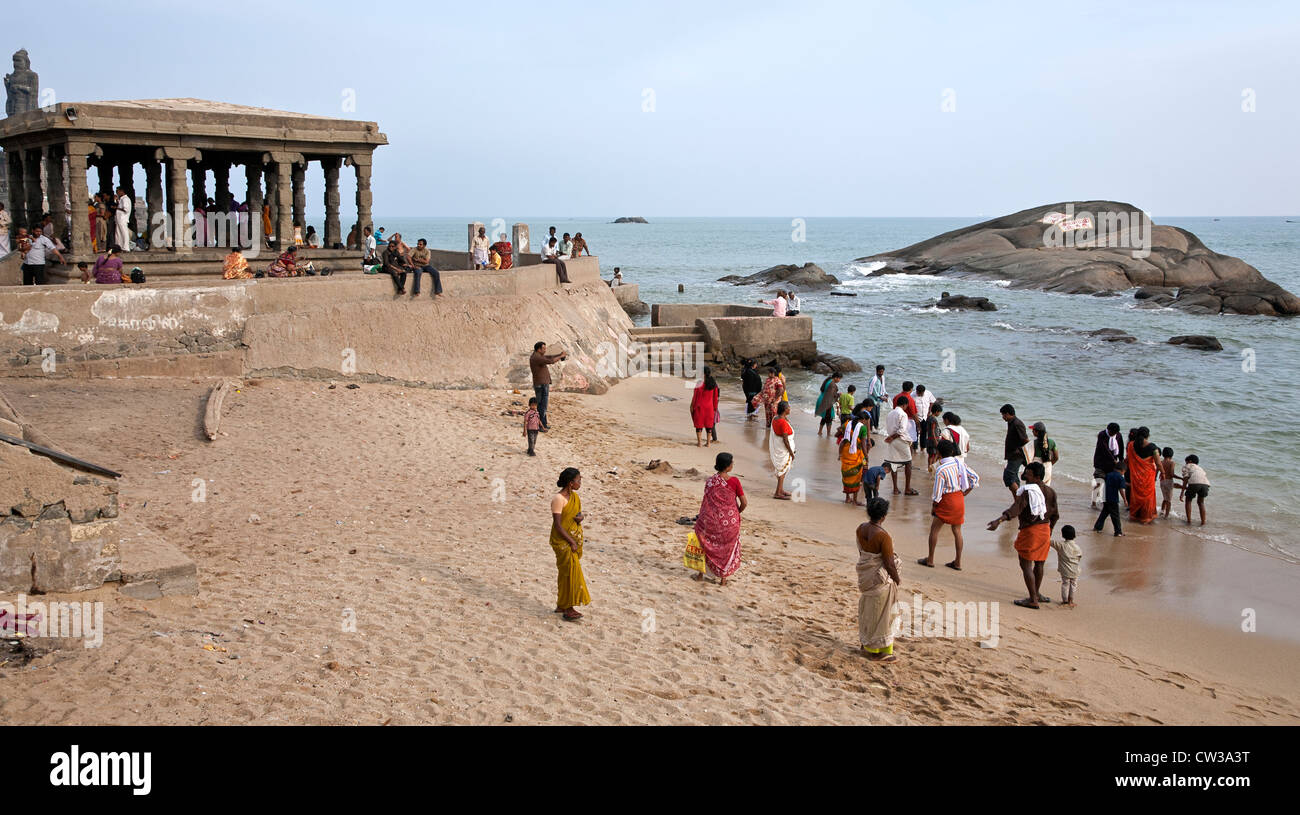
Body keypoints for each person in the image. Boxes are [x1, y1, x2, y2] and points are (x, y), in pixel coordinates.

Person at [988, 461, 1059, 609]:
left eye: (1028, 472)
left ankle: (1033, 599)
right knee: (1040, 563)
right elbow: (1055, 515)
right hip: (1045, 530)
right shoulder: (1051, 492)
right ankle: (1037, 594)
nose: (1025, 473)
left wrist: (998, 520)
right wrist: (1049, 529)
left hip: (1031, 531)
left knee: (1025, 563)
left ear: (1036, 476)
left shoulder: (1027, 492)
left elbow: (1015, 509)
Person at [918, 440, 979, 570]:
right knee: (957, 531)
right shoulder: (960, 464)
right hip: (958, 498)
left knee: (935, 529)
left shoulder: (941, 469)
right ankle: (957, 562)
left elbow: (937, 492)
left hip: (946, 500)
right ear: (952, 451)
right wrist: (965, 492)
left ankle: (930, 559)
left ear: (938, 453)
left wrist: (934, 506)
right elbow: (975, 478)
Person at [856, 497, 902, 663]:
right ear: (884, 516)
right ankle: (878, 652)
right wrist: (897, 579)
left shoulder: (861, 529)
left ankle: (867, 645)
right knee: (883, 616)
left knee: (869, 612)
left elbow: (864, 554)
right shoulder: (883, 536)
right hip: (879, 580)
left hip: (866, 577)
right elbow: (889, 563)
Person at [693, 452, 747, 585]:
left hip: (710, 520)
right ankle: (723, 580)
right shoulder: (734, 481)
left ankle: (700, 574)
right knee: (727, 549)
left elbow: (706, 502)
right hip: (729, 523)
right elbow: (744, 503)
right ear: (728, 466)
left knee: (705, 544)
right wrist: (735, 513)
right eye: (732, 463)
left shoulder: (710, 481)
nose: (733, 465)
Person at [549, 468, 590, 622]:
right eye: (578, 480)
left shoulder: (574, 497)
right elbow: (558, 526)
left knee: (565, 573)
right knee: (570, 574)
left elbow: (576, 515)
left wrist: (580, 518)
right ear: (570, 483)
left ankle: (561, 604)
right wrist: (571, 541)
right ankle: (568, 609)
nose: (580, 483)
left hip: (570, 540)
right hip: (562, 542)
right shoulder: (558, 499)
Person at [530, 341, 568, 431]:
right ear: (539, 349)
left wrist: (559, 355)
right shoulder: (536, 357)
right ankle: (541, 425)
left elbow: (549, 357)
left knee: (541, 406)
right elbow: (550, 361)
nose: (545, 350)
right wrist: (560, 356)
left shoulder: (537, 356)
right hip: (541, 384)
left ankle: (543, 424)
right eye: (543, 348)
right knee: (542, 406)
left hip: (541, 383)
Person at [883, 395, 916, 495]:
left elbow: (888, 427)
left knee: (893, 464)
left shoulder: (890, 413)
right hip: (899, 439)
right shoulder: (903, 414)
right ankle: (907, 488)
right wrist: (893, 437)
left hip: (892, 440)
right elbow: (902, 430)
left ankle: (896, 489)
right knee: (908, 463)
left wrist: (891, 437)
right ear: (905, 405)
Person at [1126, 426, 1159, 524]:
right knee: (1147, 496)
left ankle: (1135, 515)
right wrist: (1163, 473)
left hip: (1135, 475)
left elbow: (1128, 459)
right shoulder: (1152, 447)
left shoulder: (1131, 445)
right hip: (1148, 476)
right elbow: (1158, 463)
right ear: (1148, 436)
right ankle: (1146, 517)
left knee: (1136, 495)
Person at [837, 411, 870, 505]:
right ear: (863, 419)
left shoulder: (847, 424)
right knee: (857, 477)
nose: (865, 423)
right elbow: (863, 446)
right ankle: (855, 500)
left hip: (846, 453)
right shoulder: (862, 428)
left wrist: (839, 454)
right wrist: (867, 457)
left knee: (846, 476)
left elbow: (842, 441)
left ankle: (847, 498)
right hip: (857, 454)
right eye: (866, 421)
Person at [1000, 403, 1029, 496]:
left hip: (1017, 455)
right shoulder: (1011, 423)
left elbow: (1025, 440)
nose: (1003, 417)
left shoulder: (1017, 424)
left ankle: (1019, 500)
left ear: (1008, 414)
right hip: (1012, 455)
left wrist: (1025, 455)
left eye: (1003, 415)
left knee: (1009, 476)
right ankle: (1018, 501)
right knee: (1013, 478)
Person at [1091, 423, 1123, 507]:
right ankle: (1094, 502)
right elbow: (1104, 449)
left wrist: (1121, 460)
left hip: (1112, 464)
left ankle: (1105, 501)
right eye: (1112, 432)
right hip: (1101, 462)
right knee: (1099, 482)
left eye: (1115, 433)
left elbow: (1121, 447)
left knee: (1109, 483)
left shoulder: (1118, 435)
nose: (1113, 434)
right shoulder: (1102, 435)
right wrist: (1113, 460)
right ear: (1108, 430)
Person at [769, 401, 796, 499]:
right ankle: (778, 493)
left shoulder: (775, 418)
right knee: (782, 470)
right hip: (783, 450)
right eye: (789, 407)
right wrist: (791, 452)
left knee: (782, 470)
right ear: (785, 410)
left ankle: (780, 489)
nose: (790, 409)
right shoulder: (783, 423)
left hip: (779, 448)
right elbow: (785, 440)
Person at [1051, 525, 1082, 608]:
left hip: (1065, 570)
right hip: (1075, 570)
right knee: (1073, 585)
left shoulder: (1060, 545)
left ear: (1063, 535)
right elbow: (1079, 558)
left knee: (1065, 584)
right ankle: (1071, 600)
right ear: (1074, 535)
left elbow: (1050, 542)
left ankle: (1065, 601)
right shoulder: (1077, 547)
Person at [689, 367, 720, 447]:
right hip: (710, 407)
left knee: (699, 425)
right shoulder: (713, 383)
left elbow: (695, 396)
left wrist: (692, 406)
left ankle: (699, 443)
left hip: (700, 407)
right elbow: (715, 398)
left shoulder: (699, 383)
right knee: (709, 425)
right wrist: (715, 408)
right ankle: (708, 443)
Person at [1179, 454, 1211, 526]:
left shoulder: (1187, 466)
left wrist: (1182, 493)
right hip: (1205, 484)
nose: (1186, 463)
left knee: (1188, 500)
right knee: (1201, 503)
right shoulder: (1200, 468)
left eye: (1186, 462)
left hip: (1195, 483)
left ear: (1189, 461)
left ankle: (1189, 521)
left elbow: (1185, 480)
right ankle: (1203, 522)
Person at [1094, 468, 1126, 536]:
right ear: (1122, 470)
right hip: (1113, 499)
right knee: (1115, 516)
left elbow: (1102, 484)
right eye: (1124, 472)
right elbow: (1121, 490)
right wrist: (1125, 500)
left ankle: (1097, 527)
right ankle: (1118, 532)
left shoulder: (1108, 475)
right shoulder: (1120, 478)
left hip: (1105, 497)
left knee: (1104, 513)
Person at [1031, 421, 1059, 485]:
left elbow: (1027, 458)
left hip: (1036, 470)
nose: (1032, 431)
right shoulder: (1052, 442)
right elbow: (1056, 457)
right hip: (1047, 468)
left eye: (1033, 430)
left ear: (1037, 432)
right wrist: (1049, 465)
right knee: (1045, 490)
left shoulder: (1033, 443)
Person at [814, 372, 842, 437]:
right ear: (836, 377)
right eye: (839, 379)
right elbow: (832, 396)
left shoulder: (828, 380)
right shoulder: (832, 385)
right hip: (826, 402)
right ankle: (828, 433)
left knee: (824, 417)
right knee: (829, 418)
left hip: (822, 399)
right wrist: (839, 395)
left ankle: (820, 431)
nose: (839, 380)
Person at [915, 384, 937, 451]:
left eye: (922, 393)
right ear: (917, 391)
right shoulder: (912, 395)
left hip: (925, 416)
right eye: (919, 393)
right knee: (915, 432)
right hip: (916, 417)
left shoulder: (928, 393)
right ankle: (914, 448)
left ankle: (922, 448)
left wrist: (929, 411)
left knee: (924, 433)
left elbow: (932, 401)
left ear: (924, 391)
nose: (920, 394)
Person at [867, 365, 887, 430]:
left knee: (877, 414)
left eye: (882, 372)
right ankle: (871, 428)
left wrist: (885, 394)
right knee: (872, 414)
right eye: (880, 372)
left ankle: (876, 427)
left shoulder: (882, 378)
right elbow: (873, 391)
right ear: (876, 371)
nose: (881, 373)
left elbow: (882, 387)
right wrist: (880, 397)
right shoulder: (874, 379)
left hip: (878, 400)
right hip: (872, 400)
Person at [1159, 447, 1177, 519]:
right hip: (1169, 481)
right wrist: (1181, 478)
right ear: (1172, 455)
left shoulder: (1160, 462)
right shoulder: (1172, 463)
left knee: (1165, 498)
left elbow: (1157, 472)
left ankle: (1162, 511)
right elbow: (1172, 474)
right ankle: (1166, 516)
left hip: (1162, 481)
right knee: (1169, 500)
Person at [114, 187, 133, 251]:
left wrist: (116, 208)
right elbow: (120, 206)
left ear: (122, 191)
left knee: (124, 233)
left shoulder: (125, 199)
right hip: (119, 219)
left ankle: (126, 247)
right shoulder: (122, 199)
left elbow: (126, 209)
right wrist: (117, 201)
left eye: (117, 191)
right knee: (118, 233)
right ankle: (119, 246)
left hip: (123, 219)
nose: (117, 193)